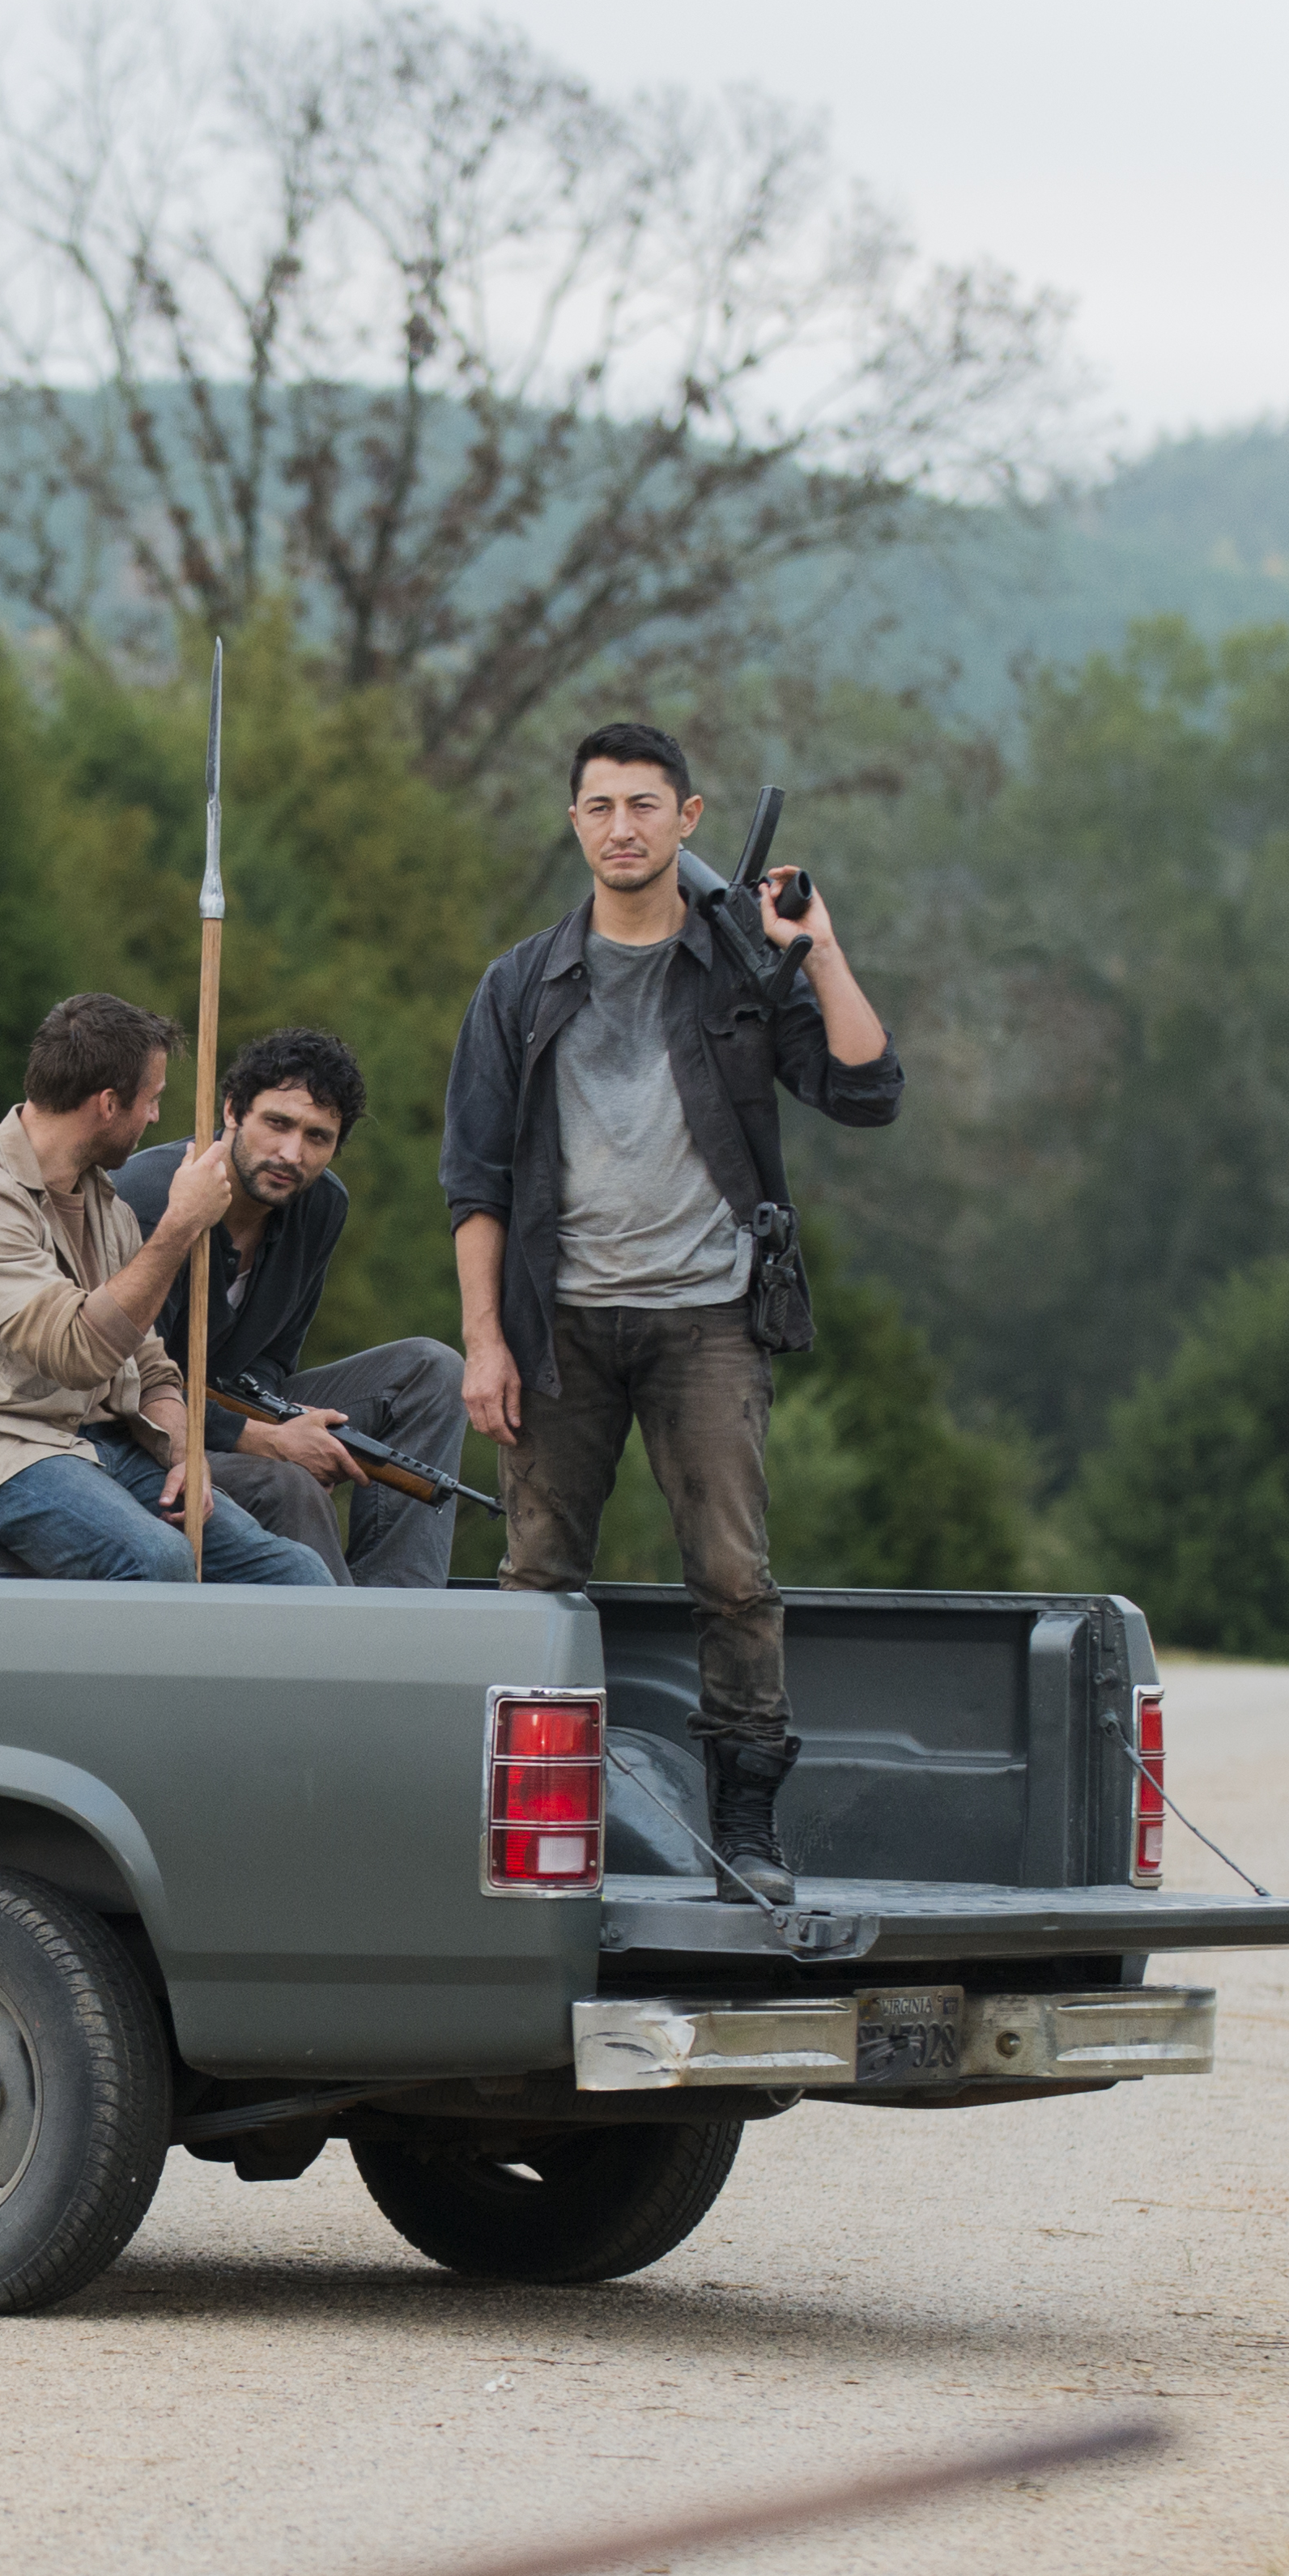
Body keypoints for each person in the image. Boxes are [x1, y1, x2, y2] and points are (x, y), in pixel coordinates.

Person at [441, 718, 904, 1896]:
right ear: (575, 824)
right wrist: (485, 1343)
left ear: (688, 820)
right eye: (599, 807)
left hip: (709, 1318)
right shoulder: (521, 983)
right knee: (536, 1579)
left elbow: (866, 1090)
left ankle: (746, 1833)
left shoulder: (741, 969)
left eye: (645, 806)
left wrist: (819, 947)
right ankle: (518, 1829)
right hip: (561, 1327)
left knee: (735, 1578)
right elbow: (476, 1182)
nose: (622, 828)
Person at [0, 992, 336, 1586]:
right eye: (151, 1101)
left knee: (295, 1575)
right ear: (108, 1104)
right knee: (158, 1560)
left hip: (93, 1444)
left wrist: (183, 1449)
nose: (154, 1119)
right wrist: (180, 1227)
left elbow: (147, 1362)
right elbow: (76, 1352)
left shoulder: (105, 1205)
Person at [111, 1030, 470, 1592]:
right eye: (277, 1123)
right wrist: (272, 1441)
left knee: (433, 1370)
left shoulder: (320, 1204)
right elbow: (123, 1384)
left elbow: (272, 1359)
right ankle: (346, 1654)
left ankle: (402, 1606)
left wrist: (293, 1422)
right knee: (288, 1484)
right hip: (136, 1439)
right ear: (232, 1111)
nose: (291, 1154)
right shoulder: (153, 1201)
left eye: (317, 1137)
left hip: (229, 1412)